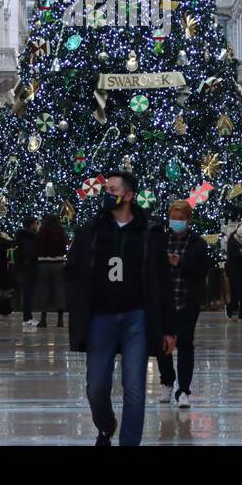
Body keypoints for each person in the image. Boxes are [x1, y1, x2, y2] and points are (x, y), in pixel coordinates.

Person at [65, 171, 176, 447]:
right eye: (106, 189)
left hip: (136, 317)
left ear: (128, 195)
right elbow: (74, 269)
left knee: (135, 388)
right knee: (97, 386)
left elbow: (163, 281)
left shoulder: (149, 231)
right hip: (101, 317)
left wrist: (169, 329)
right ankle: (105, 425)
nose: (107, 194)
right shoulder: (92, 230)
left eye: (112, 189)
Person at [156, 200, 209, 408]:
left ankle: (184, 389)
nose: (176, 222)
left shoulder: (197, 243)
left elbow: (202, 270)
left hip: (187, 301)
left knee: (185, 344)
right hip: (164, 302)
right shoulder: (161, 240)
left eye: (181, 218)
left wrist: (181, 262)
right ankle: (167, 382)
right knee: (162, 345)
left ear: (188, 220)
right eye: (174, 218)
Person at [33, 213, 68, 327]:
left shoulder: (42, 231)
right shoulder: (60, 231)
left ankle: (44, 319)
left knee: (44, 290)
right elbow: (64, 247)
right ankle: (60, 320)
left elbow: (37, 246)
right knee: (59, 290)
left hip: (44, 263)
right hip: (58, 263)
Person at [15, 216, 40, 329]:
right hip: (28, 269)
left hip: (25, 269)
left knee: (28, 294)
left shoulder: (24, 237)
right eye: (36, 223)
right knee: (27, 295)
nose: (37, 226)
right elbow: (28, 254)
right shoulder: (29, 239)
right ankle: (27, 318)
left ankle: (28, 317)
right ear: (31, 225)